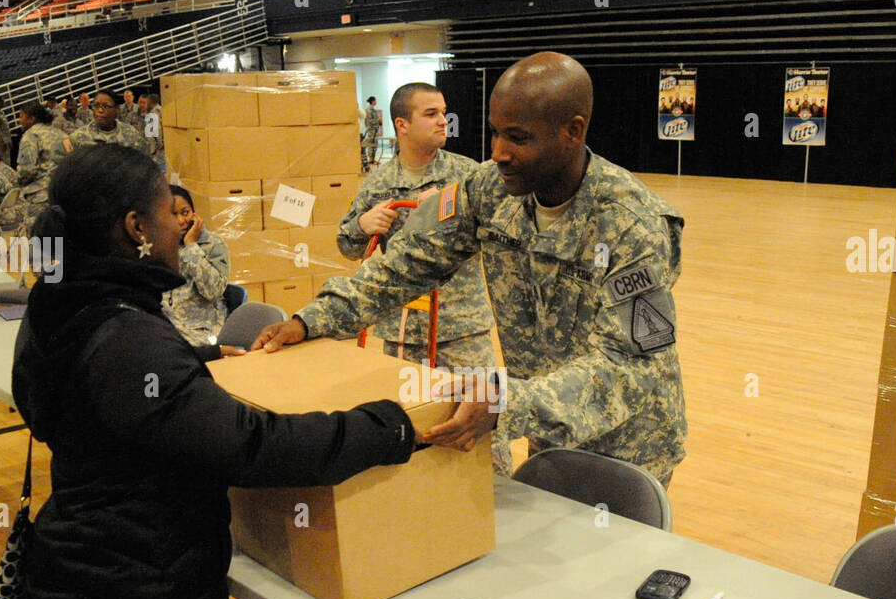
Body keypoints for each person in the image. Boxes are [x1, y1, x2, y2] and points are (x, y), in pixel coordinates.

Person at [11, 143, 417, 599]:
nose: (184, 226)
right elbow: (250, 449)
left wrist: (191, 362)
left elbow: (95, 384)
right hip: (127, 598)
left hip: (97, 578)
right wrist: (388, 426)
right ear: (135, 229)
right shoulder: (130, 339)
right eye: (172, 213)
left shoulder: (62, 303)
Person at [253, 53, 687, 486]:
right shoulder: (489, 191)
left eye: (517, 137)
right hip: (550, 431)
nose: (498, 153)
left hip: (628, 445)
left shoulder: (633, 223)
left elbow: (630, 367)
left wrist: (503, 401)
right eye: (495, 133)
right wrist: (311, 319)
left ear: (572, 132)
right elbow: (406, 265)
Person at [336, 81, 494, 370]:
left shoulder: (467, 174)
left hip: (461, 328)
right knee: (405, 413)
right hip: (402, 331)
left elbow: (495, 233)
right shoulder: (378, 184)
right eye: (431, 113)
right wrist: (363, 224)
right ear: (402, 124)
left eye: (444, 113)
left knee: (480, 408)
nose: (443, 121)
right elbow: (347, 246)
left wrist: (452, 209)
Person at [161, 185, 230, 352]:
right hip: (168, 326)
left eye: (185, 212)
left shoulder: (213, 244)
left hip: (201, 330)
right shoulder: (160, 246)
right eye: (173, 214)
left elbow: (213, 291)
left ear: (194, 214)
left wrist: (191, 246)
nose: (180, 221)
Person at [16, 101, 73, 234]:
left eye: (21, 116)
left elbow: (27, 170)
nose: (20, 120)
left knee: (41, 241)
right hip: (63, 193)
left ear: (32, 119)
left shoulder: (31, 135)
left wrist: (18, 181)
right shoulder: (62, 134)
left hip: (40, 196)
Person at [70, 90, 150, 155]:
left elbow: (145, 162)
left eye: (106, 106)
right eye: (96, 106)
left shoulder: (131, 133)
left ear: (116, 109)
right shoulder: (78, 138)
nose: (100, 110)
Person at [362, 95, 382, 170]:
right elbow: (368, 121)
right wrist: (377, 120)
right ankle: (370, 160)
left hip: (375, 129)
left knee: (375, 145)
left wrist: (379, 121)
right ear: (373, 101)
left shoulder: (374, 110)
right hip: (371, 130)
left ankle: (373, 159)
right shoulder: (368, 110)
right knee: (371, 144)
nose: (376, 101)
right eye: (375, 100)